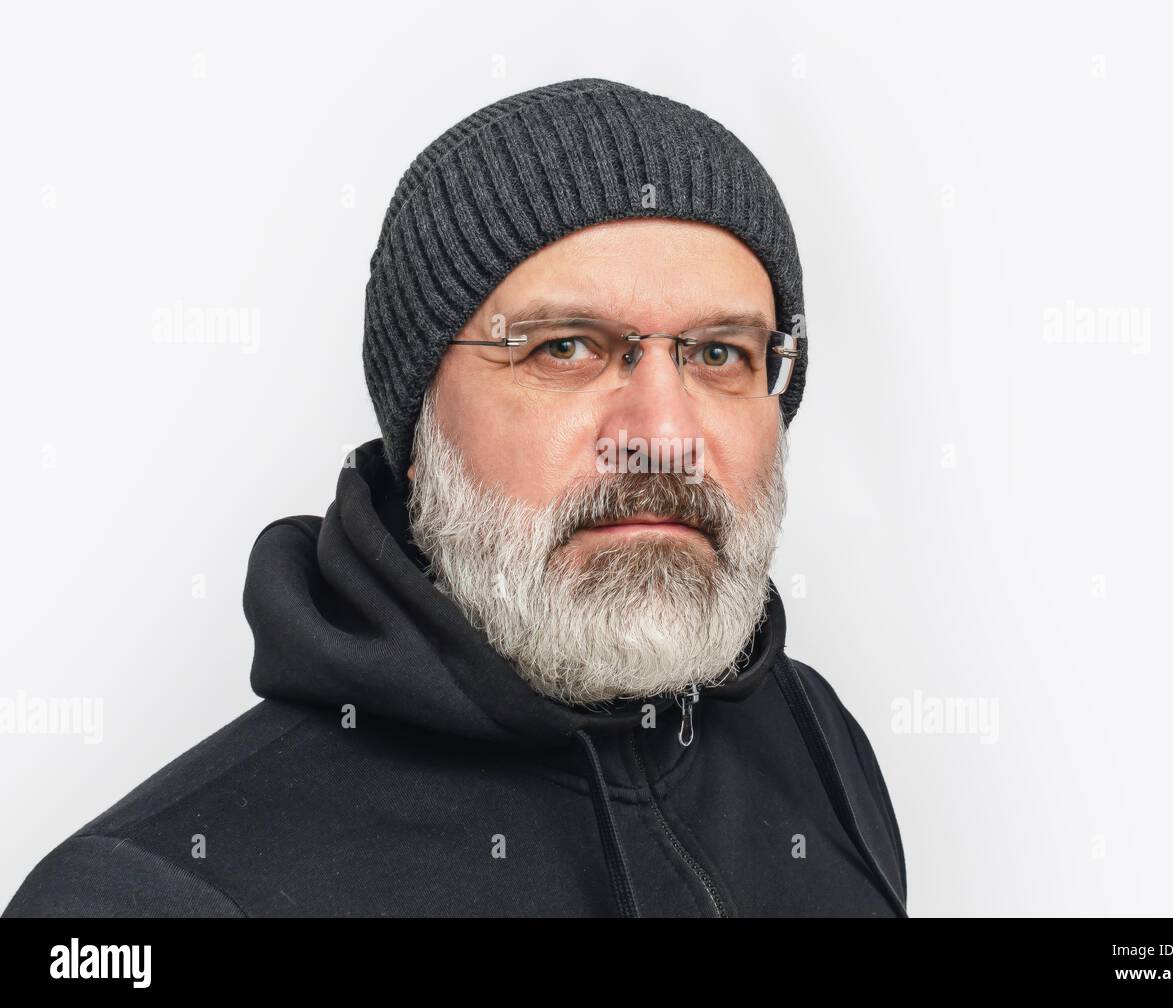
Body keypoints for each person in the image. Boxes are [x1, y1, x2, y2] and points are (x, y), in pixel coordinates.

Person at [4, 77, 906, 917]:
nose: (662, 437)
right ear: (418, 429)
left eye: (719, 355)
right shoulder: (142, 900)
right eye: (564, 348)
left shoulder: (809, 733)